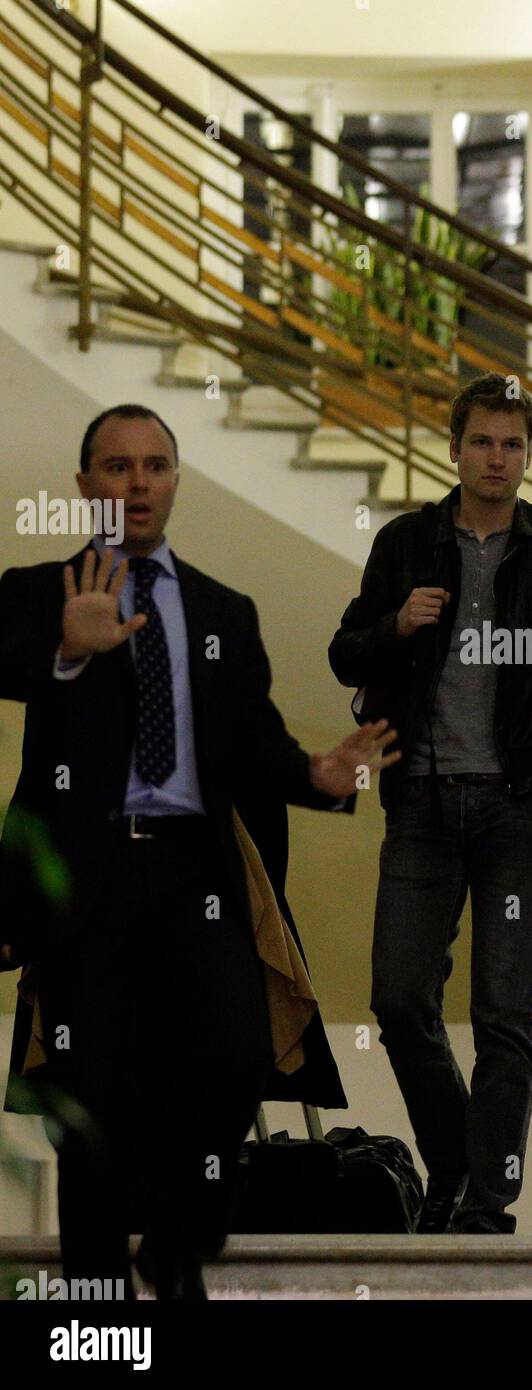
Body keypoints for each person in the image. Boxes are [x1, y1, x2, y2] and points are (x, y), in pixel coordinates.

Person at [0, 404, 398, 1297]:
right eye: (115, 467)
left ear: (176, 481)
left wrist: (322, 775)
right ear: (85, 486)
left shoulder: (226, 609)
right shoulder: (40, 590)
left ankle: (176, 1249)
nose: (135, 483)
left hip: (194, 877)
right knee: (91, 1109)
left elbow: (252, 746)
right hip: (89, 883)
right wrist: (67, 648)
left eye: (154, 466)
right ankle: (100, 1324)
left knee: (231, 1059)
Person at [329, 372, 532, 1233]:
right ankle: (455, 1163)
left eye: (512, 444)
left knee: (503, 1014)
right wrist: (395, 628)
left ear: (528, 455)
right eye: (482, 442)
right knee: (398, 1001)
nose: (496, 458)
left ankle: (485, 1205)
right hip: (419, 800)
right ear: (454, 449)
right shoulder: (405, 543)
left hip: (513, 808)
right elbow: (345, 654)